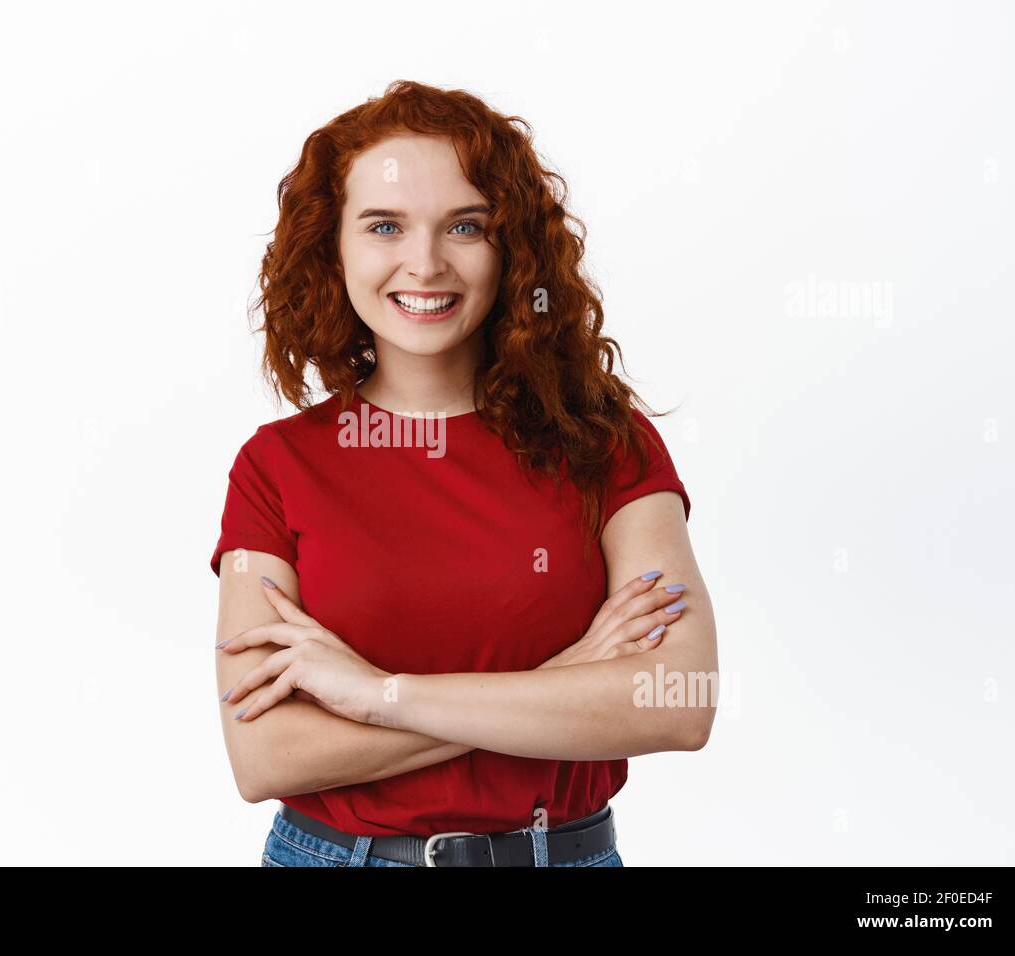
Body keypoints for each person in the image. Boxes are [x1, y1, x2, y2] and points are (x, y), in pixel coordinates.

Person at [209, 80, 718, 867]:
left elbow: (677, 703)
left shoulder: (606, 445)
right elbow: (268, 757)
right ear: (332, 247)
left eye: (466, 226)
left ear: (512, 247)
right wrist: (565, 679)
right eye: (385, 226)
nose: (426, 263)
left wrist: (377, 695)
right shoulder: (276, 468)